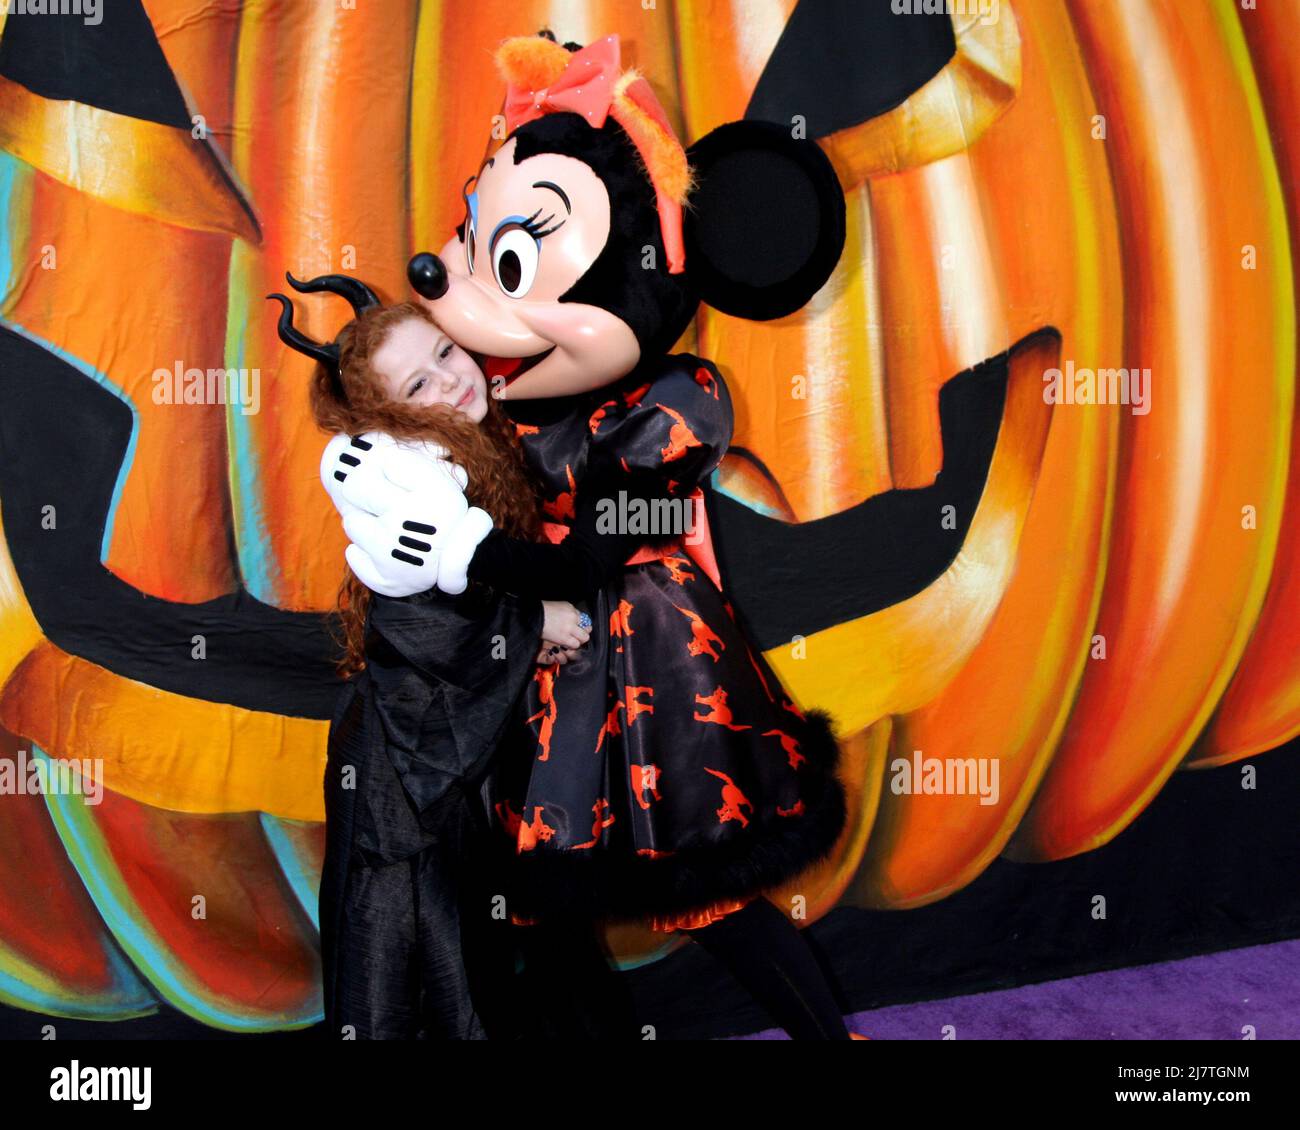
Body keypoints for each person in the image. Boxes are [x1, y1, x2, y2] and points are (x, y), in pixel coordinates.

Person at [269, 272, 591, 1038]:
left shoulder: (468, 450)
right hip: (400, 781)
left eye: (446, 350)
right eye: (420, 380)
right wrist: (534, 622)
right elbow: (415, 631)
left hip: (447, 769)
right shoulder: (402, 487)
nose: (451, 375)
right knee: (406, 961)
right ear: (384, 414)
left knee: (472, 958)